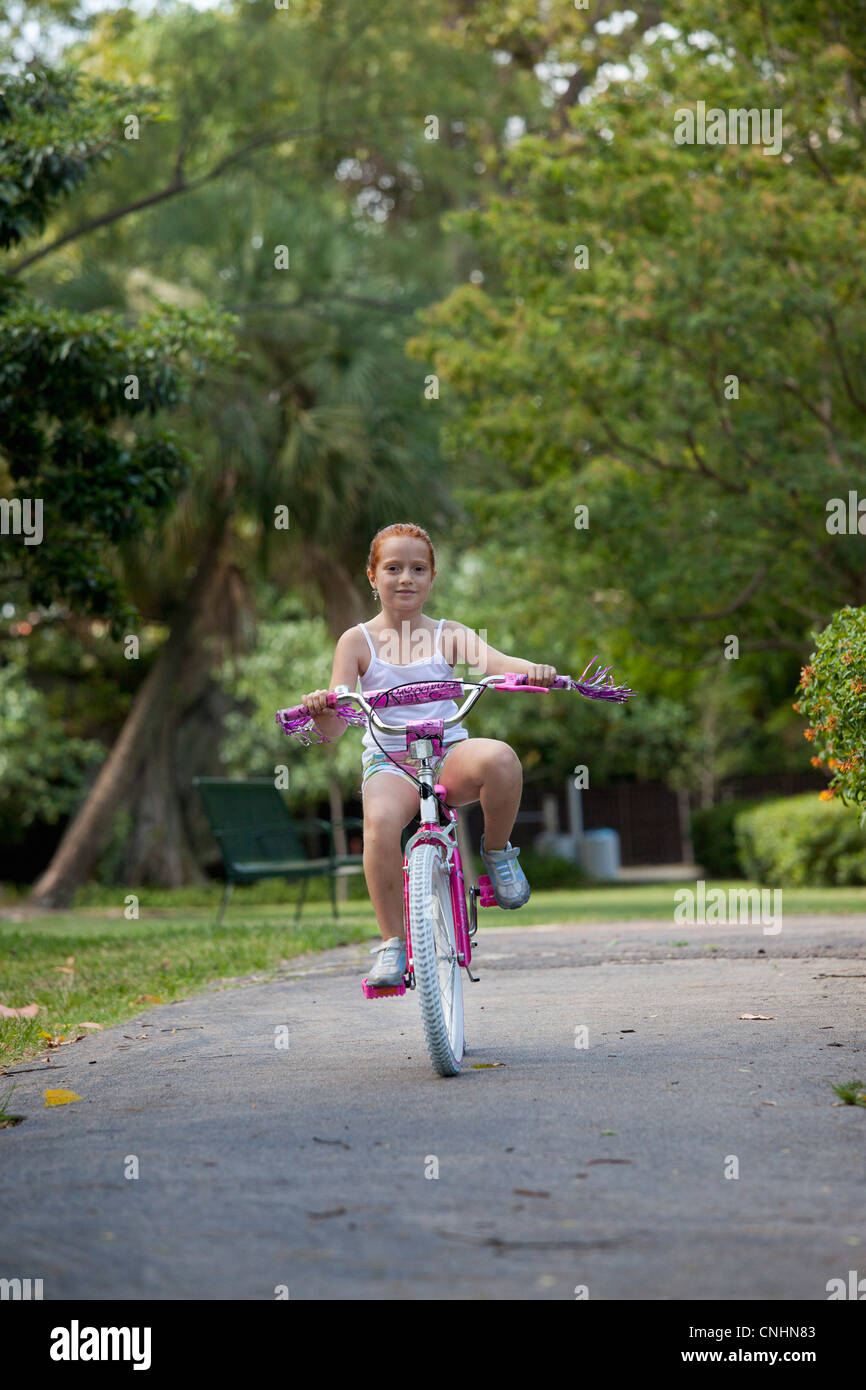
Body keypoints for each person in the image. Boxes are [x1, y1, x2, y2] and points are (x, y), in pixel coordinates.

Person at [300, 522, 557, 987]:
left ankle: (497, 853)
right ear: (372, 576)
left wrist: (534, 670)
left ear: (432, 578)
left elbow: (497, 665)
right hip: (389, 761)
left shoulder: (449, 634)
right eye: (393, 568)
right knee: (378, 825)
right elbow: (336, 725)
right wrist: (323, 707)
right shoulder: (355, 642)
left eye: (418, 569)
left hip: (446, 754)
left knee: (501, 759)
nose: (406, 578)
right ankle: (393, 945)